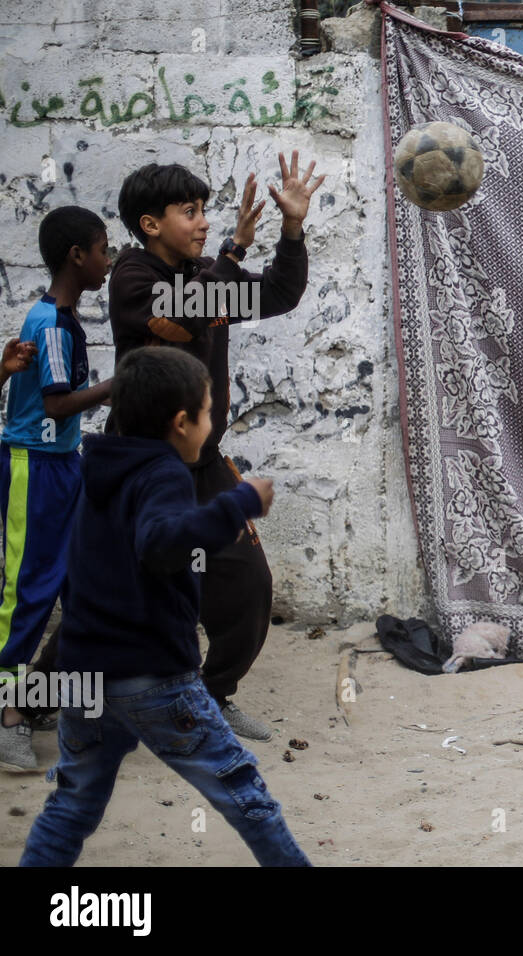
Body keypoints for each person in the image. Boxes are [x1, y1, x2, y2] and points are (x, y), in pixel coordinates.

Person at [20, 347, 310, 866]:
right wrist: (240, 502)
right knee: (245, 794)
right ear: (181, 423)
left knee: (72, 804)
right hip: (153, 675)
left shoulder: (96, 467)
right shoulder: (164, 474)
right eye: (207, 411)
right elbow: (161, 542)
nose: (210, 422)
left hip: (87, 675)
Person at [109, 154, 324, 740]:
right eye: (190, 212)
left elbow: (279, 293)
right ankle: (22, 710)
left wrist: (292, 230)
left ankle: (210, 696)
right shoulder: (132, 277)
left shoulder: (209, 271)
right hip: (139, 471)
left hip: (202, 469)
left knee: (246, 584)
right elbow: (178, 320)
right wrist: (231, 254)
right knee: (107, 599)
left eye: (205, 211)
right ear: (150, 225)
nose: (203, 222)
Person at [0, 207, 112, 772]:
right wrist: (120, 383)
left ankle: (65, 705)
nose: (109, 261)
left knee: (77, 585)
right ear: (76, 256)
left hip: (63, 463)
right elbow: (55, 404)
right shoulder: (47, 324)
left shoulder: (65, 321)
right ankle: (8, 716)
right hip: (34, 467)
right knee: (27, 591)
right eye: (102, 250)